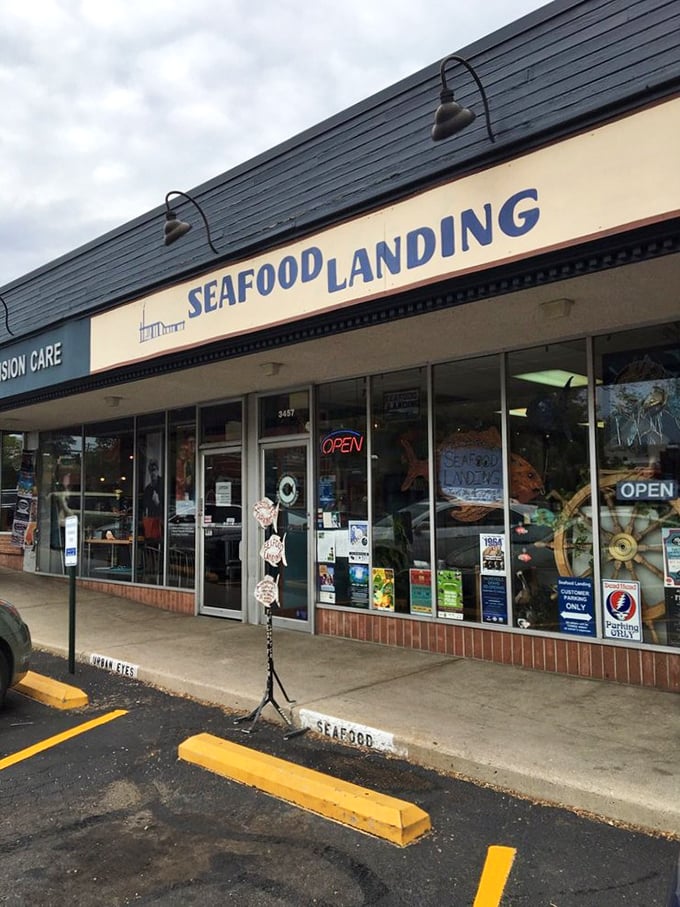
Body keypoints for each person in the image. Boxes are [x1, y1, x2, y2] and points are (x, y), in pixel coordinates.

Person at [142, 459, 163, 540]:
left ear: (157, 470)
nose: (152, 473)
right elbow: (145, 507)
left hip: (162, 522)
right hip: (151, 523)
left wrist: (158, 503)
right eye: (150, 470)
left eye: (154, 470)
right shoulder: (147, 489)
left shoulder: (164, 484)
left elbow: (170, 505)